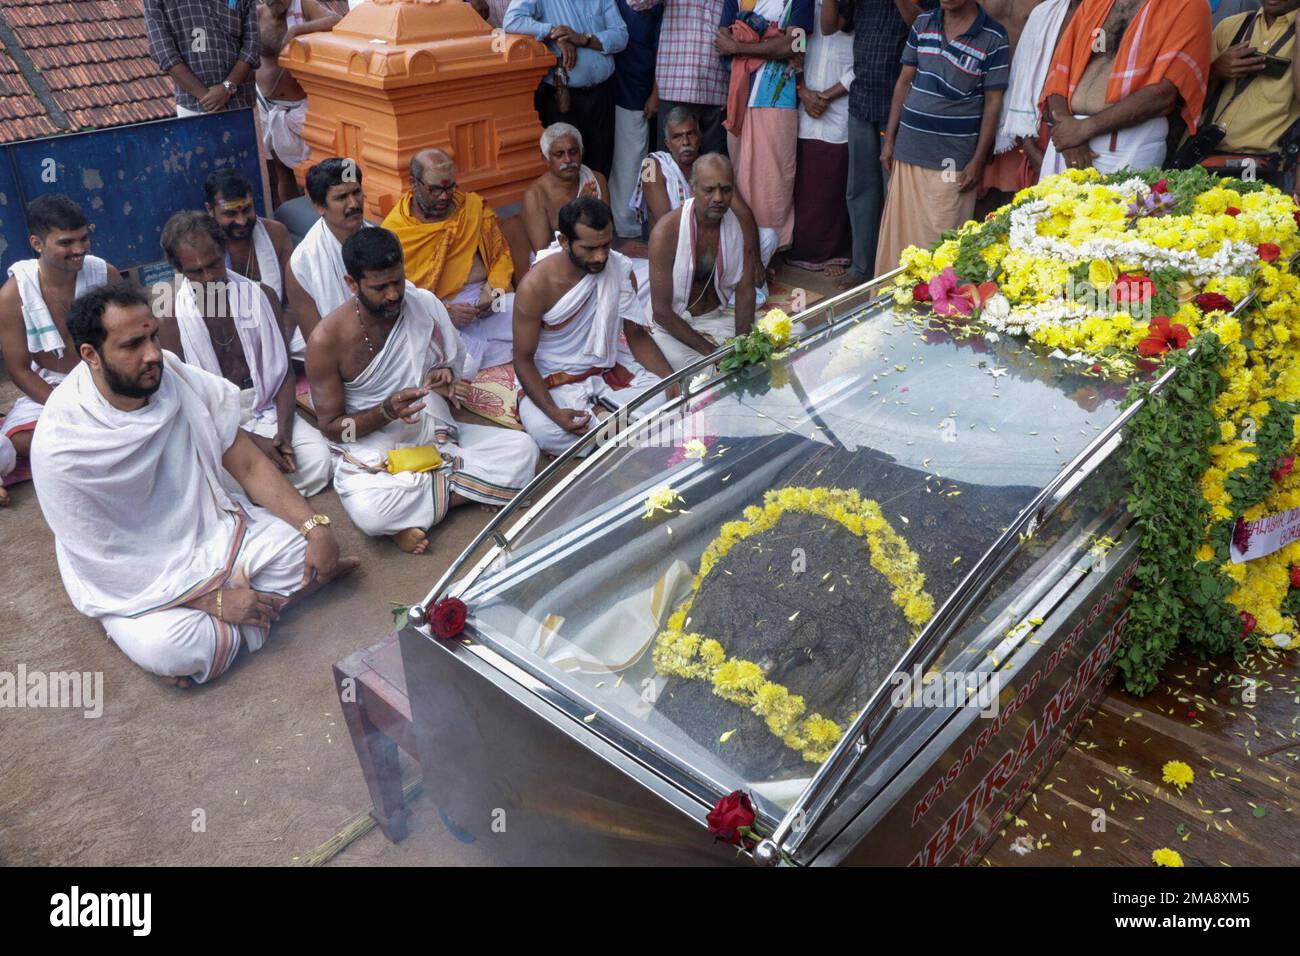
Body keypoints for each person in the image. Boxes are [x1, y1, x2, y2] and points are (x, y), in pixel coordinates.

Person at [31, 281, 357, 687]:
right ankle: (178, 624)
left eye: (152, 336)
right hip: (135, 577)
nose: (153, 354)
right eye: (133, 345)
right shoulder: (61, 445)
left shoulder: (173, 376)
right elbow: (103, 560)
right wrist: (215, 600)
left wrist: (315, 528)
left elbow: (248, 463)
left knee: (300, 555)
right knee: (176, 647)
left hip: (209, 532)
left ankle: (237, 626)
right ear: (90, 355)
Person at [307, 228, 540, 554]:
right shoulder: (326, 340)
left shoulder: (423, 304)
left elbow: (453, 361)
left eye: (397, 282)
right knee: (371, 512)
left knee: (524, 449)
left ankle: (425, 508)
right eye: (379, 287)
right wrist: (385, 412)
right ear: (352, 283)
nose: (392, 295)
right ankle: (474, 490)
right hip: (374, 445)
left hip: (429, 429)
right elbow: (334, 430)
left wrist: (444, 374)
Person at [155, 211, 332, 497]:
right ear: (179, 270)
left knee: (321, 461)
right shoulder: (169, 316)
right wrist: (251, 442)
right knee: (216, 479)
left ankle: (259, 492)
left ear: (222, 251)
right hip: (215, 418)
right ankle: (261, 488)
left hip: (267, 408)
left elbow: (284, 372)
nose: (209, 277)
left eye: (213, 265)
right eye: (195, 272)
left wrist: (283, 435)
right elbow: (185, 400)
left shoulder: (261, 295)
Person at [513, 197, 673, 456]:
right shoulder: (535, 286)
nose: (600, 257)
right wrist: (554, 413)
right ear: (564, 241)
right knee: (548, 431)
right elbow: (522, 360)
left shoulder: (619, 268)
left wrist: (670, 380)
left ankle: (605, 424)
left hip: (607, 369)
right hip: (555, 380)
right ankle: (622, 426)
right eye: (589, 248)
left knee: (667, 394)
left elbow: (636, 336)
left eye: (606, 246)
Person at [874, 0, 1010, 275]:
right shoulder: (924, 24)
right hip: (910, 149)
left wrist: (978, 160)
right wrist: (890, 140)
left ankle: (935, 314)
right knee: (899, 241)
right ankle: (892, 308)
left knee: (941, 245)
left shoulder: (994, 36)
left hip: (952, 159)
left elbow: (993, 101)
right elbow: (904, 80)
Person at [0, 195, 121, 466]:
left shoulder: (106, 276)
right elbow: (19, 370)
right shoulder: (13, 295)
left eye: (83, 238)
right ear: (37, 244)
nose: (79, 249)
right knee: (21, 440)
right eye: (66, 242)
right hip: (53, 388)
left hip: (105, 378)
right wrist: (69, 408)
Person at [381, 149, 516, 379]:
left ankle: (494, 348)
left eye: (450, 187)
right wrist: (443, 312)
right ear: (413, 183)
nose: (445, 196)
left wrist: (494, 289)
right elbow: (397, 296)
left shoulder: (471, 209)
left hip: (485, 306)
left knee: (529, 313)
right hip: (434, 316)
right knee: (462, 366)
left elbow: (500, 255)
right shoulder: (395, 231)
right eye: (435, 189)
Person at [1039, 0, 1211, 174]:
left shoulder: (1189, 5)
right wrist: (1066, 129)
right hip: (1069, 142)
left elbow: (1164, 95)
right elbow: (1058, 74)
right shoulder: (1092, 3)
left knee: (1120, 202)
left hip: (1130, 142)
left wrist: (1084, 128)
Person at [824, 0, 928, 288]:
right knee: (859, 192)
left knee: (894, 195)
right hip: (861, 100)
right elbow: (830, 26)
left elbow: (924, 27)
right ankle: (861, 269)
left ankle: (894, 273)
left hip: (898, 107)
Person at [717, 0, 816, 258]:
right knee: (739, 175)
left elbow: (795, 44)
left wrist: (740, 45)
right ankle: (743, 251)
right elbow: (722, 37)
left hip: (777, 98)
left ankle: (771, 252)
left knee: (773, 180)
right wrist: (769, 42)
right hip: (739, 98)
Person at [646, 154, 757, 370]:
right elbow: (661, 312)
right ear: (693, 187)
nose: (718, 198)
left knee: (791, 332)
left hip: (715, 319)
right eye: (709, 190)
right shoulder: (666, 231)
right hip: (670, 327)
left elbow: (745, 291)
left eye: (726, 190)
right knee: (704, 370)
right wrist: (712, 353)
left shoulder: (737, 224)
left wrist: (743, 345)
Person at [631, 107, 772, 272]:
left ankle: (737, 277)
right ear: (667, 143)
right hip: (676, 249)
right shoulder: (652, 165)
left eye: (690, 134)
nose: (685, 142)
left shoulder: (712, 166)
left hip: (713, 241)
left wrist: (754, 260)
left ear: (699, 136)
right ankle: (731, 281)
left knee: (768, 237)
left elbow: (743, 213)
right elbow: (666, 223)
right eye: (677, 137)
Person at [504, 0, 628, 177]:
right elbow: (512, 21)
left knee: (600, 164)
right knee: (566, 167)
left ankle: (595, 204)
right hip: (564, 95)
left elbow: (621, 37)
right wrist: (554, 32)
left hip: (602, 93)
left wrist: (583, 39)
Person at [1190, 0, 1300, 190]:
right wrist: (1216, 71)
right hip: (1205, 162)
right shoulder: (1230, 27)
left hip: (1268, 170)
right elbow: (1188, 104)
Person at [789, 0, 856, 276]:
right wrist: (804, 92)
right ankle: (800, 249)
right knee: (804, 182)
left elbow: (861, 65)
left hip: (839, 106)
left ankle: (834, 255)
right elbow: (793, 54)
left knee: (833, 182)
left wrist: (826, 96)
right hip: (804, 103)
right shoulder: (804, 7)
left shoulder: (854, 10)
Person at [256, 0, 341, 205]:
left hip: (302, 106)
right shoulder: (257, 15)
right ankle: (292, 220)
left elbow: (337, 20)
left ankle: (318, 216)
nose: (272, 3)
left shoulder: (304, 5)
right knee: (282, 171)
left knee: (316, 170)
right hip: (268, 105)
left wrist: (298, 29)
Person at [287, 157, 375, 354]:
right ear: (319, 206)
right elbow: (317, 344)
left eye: (356, 192)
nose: (353, 204)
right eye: (342, 197)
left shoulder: (382, 241)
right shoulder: (302, 263)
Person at [990, 0, 1080, 192]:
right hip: (1036, 126)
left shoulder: (1108, 21)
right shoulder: (1043, 14)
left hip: (1080, 130)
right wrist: (1028, 144)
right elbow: (1023, 77)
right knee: (1024, 206)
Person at [627, 0, 733, 156]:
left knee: (715, 168)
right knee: (670, 167)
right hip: (676, 88)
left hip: (717, 91)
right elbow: (635, 3)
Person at [203, 169, 296, 341]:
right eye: (230, 213)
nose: (242, 221)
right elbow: (204, 312)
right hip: (229, 338)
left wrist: (279, 338)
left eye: (246, 210)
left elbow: (293, 297)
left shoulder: (276, 233)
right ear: (210, 210)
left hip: (279, 327)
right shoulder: (200, 247)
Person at [144, 0, 261, 117]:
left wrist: (227, 88)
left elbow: (252, 45)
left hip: (241, 103)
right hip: (193, 108)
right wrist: (209, 100)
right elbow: (163, 52)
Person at [609, 0, 665, 239]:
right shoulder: (616, 3)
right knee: (620, 160)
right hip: (612, 87)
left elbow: (662, 50)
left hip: (639, 90)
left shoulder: (658, 6)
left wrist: (655, 93)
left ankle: (632, 222)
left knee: (635, 158)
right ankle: (623, 222)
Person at [521, 124, 610, 257]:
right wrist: (578, 211)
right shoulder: (535, 195)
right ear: (545, 159)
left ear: (582, 152)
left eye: (573, 152)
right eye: (559, 154)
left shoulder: (597, 180)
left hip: (599, 258)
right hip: (557, 269)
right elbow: (543, 253)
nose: (568, 160)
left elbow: (607, 234)